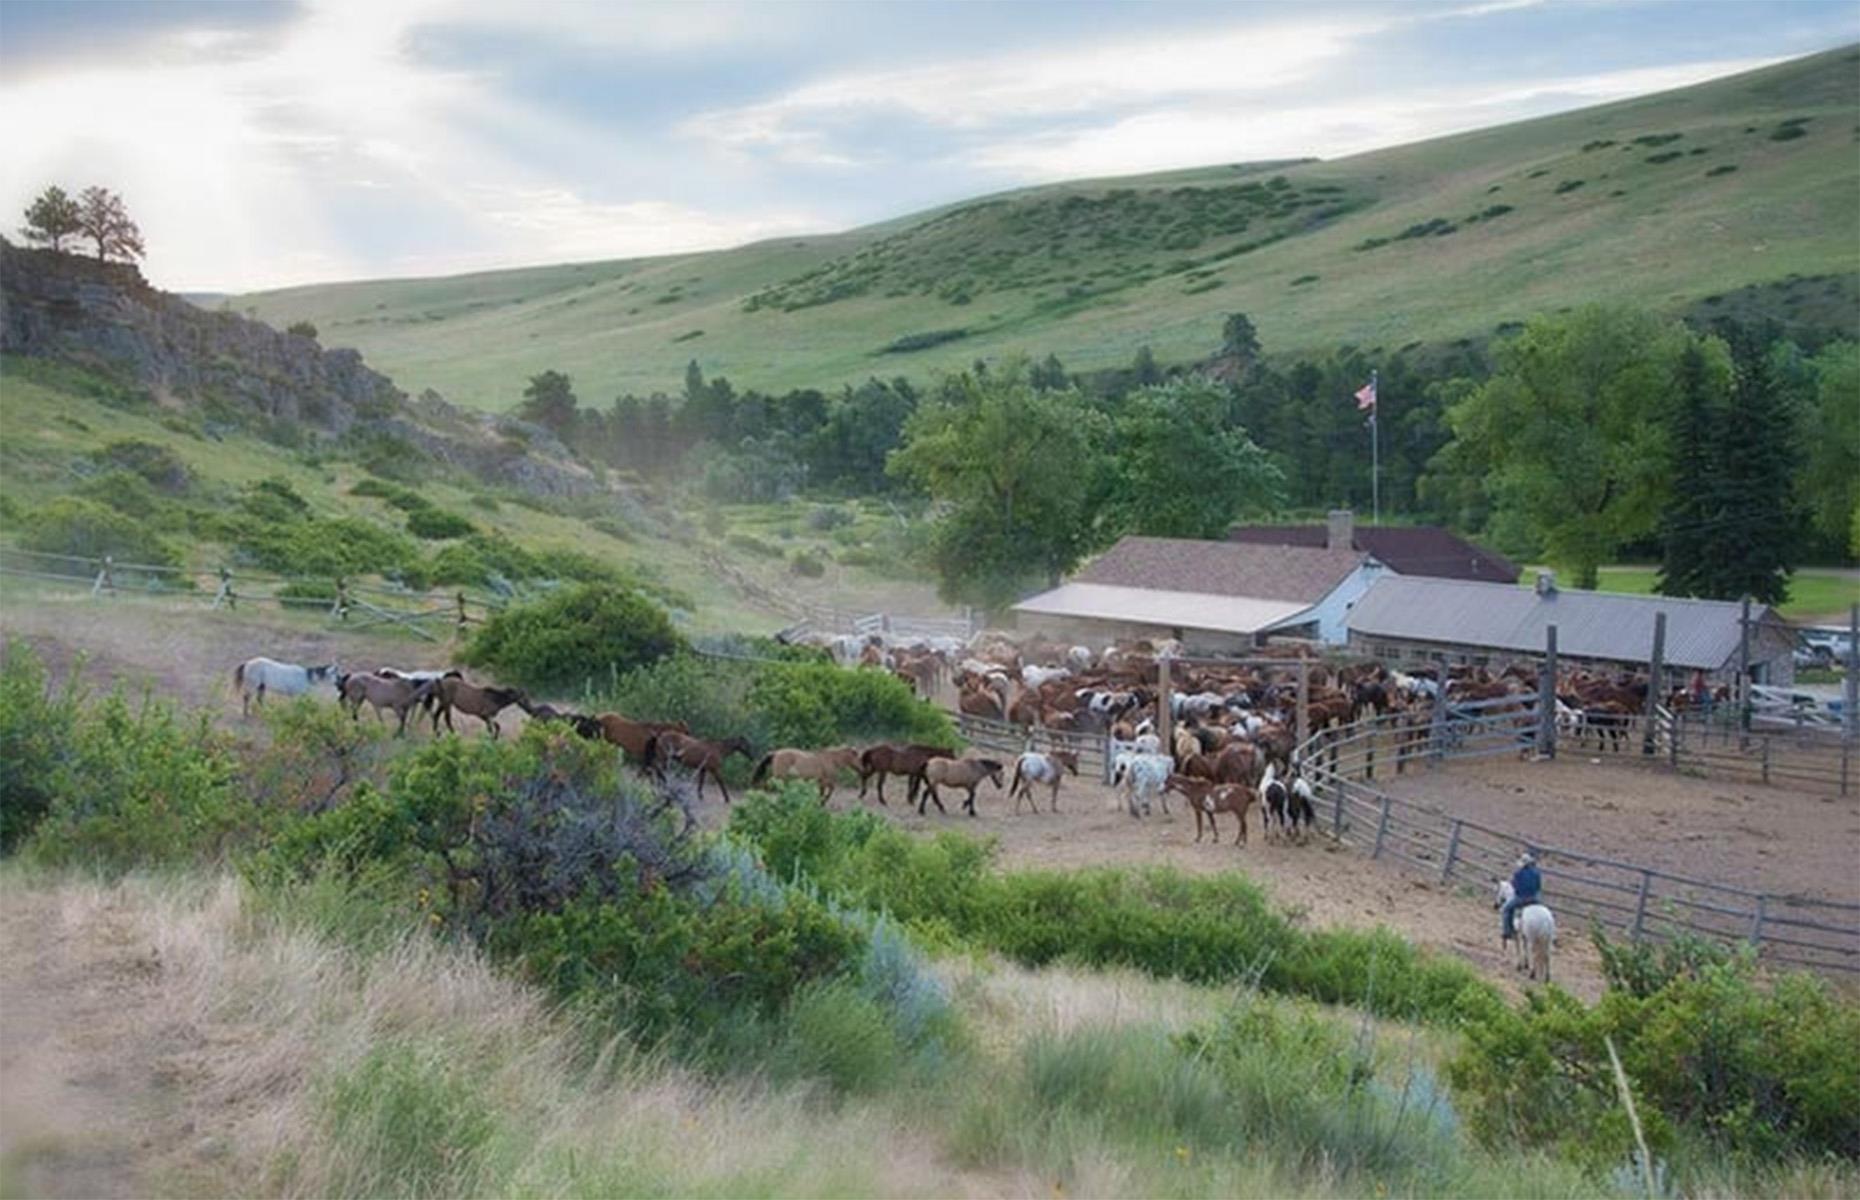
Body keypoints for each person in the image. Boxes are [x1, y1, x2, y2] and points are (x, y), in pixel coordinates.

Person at [1502, 852, 1542, 943]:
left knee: (1506, 909)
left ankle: (1507, 931)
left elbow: (1515, 886)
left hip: (1522, 898)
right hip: (1534, 898)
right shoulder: (1536, 873)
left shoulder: (1518, 873)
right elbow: (1538, 887)